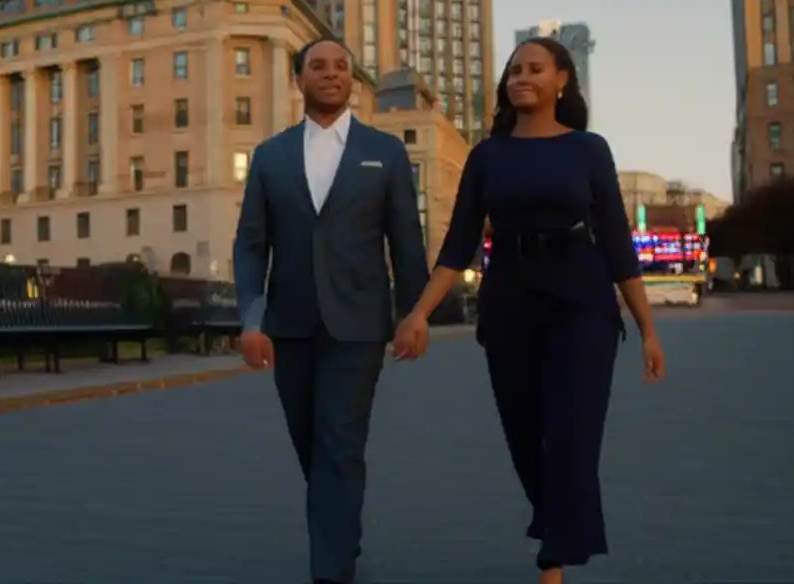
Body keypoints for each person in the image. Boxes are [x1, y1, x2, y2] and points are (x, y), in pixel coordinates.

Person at [394, 37, 667, 584]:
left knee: (570, 432)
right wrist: (418, 312)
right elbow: (457, 246)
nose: (521, 77)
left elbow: (616, 242)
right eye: (514, 69)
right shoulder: (488, 155)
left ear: (561, 79)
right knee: (524, 434)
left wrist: (648, 329)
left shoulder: (589, 149)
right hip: (511, 300)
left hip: (582, 301)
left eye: (535, 68)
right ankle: (555, 527)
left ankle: (553, 558)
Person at [232, 37, 431, 584]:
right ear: (299, 80)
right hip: (289, 325)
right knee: (310, 443)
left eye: (341, 66)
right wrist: (251, 317)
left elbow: (405, 240)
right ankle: (341, 530)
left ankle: (332, 568)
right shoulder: (270, 156)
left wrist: (414, 315)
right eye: (318, 66)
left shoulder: (384, 152)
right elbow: (251, 244)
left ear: (352, 82)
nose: (331, 73)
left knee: (339, 440)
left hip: (359, 325)